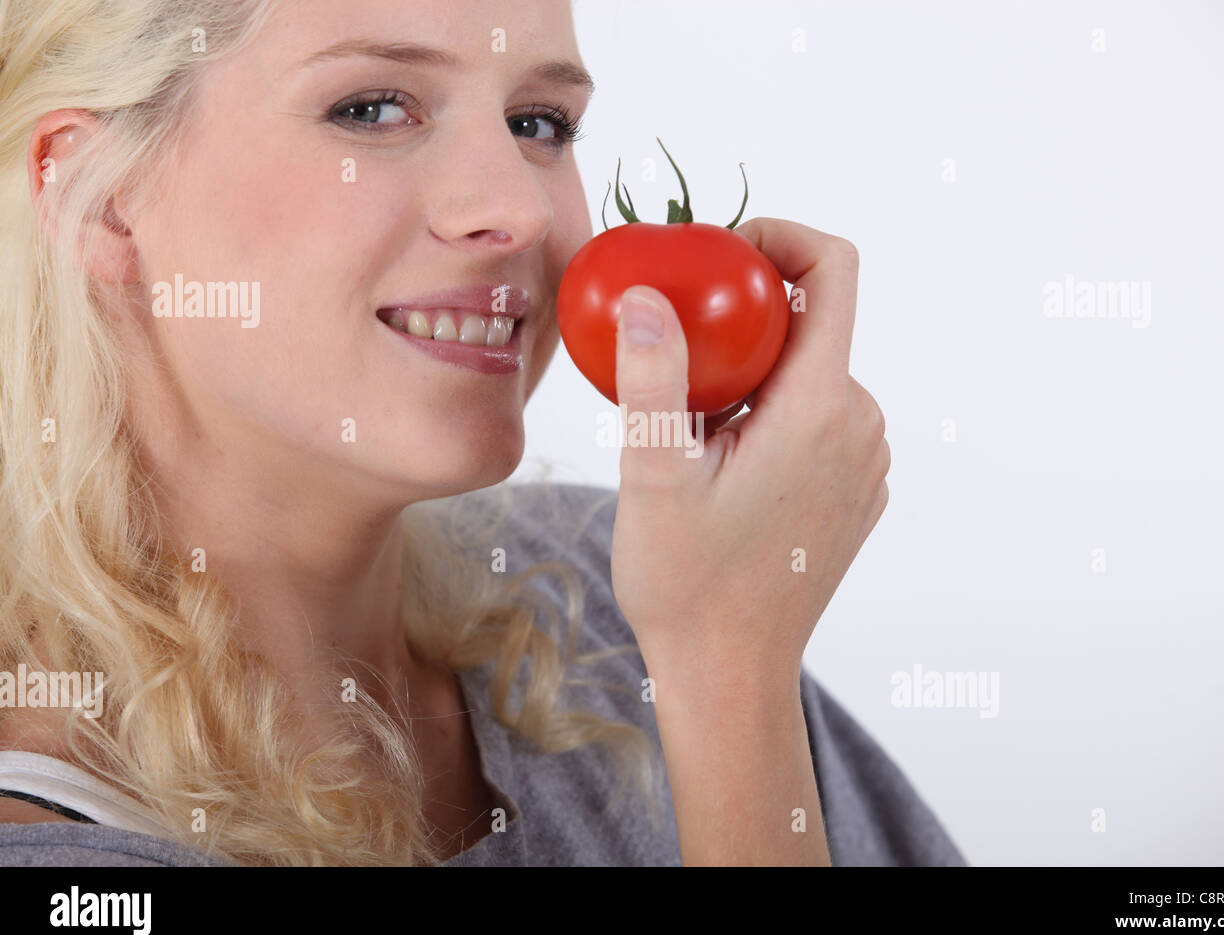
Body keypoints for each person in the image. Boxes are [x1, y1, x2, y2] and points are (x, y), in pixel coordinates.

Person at [0, 0, 964, 866]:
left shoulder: (626, 592)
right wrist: (726, 681)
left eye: (539, 124)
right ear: (102, 193)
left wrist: (720, 659)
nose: (517, 210)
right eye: (374, 108)